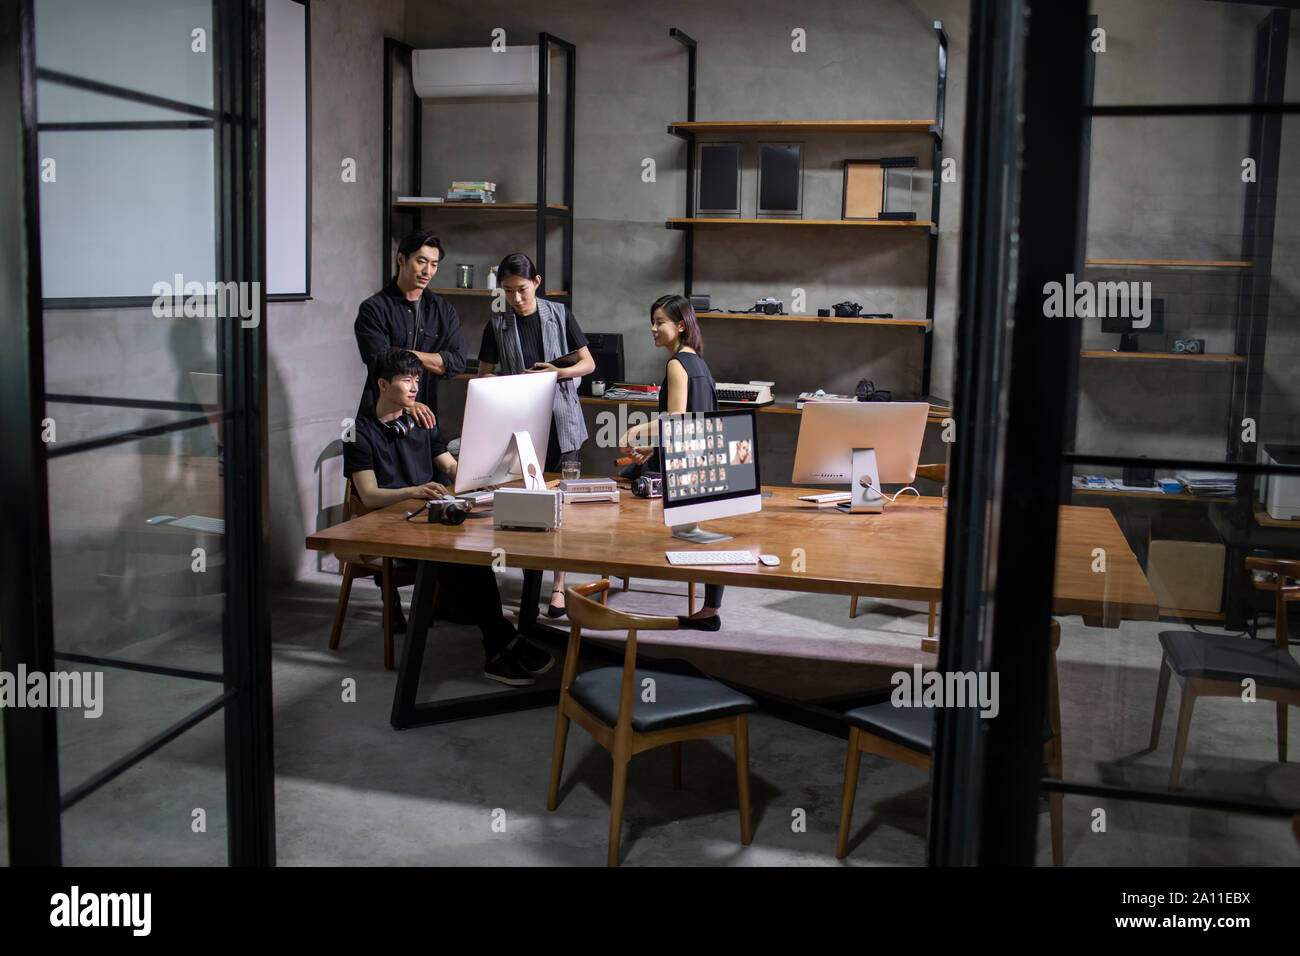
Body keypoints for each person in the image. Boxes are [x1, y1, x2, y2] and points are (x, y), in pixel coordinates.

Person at [344, 347, 554, 686]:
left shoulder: (422, 421)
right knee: (459, 561)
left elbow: (451, 468)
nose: (414, 387)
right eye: (405, 380)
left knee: (474, 554)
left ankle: (500, 644)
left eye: (417, 379)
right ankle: (501, 643)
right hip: (389, 526)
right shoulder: (359, 433)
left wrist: (487, 467)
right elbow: (369, 495)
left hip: (430, 518)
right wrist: (414, 491)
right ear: (382, 384)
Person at [477, 252, 595, 619]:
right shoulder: (497, 325)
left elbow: (588, 364)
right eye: (508, 291)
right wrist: (510, 382)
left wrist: (553, 374)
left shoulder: (560, 315)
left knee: (562, 503)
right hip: (522, 425)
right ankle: (530, 582)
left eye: (522, 290)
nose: (515, 298)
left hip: (563, 422)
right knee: (529, 502)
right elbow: (483, 377)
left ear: (537, 283)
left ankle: (558, 587)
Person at [619, 294, 727, 631]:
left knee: (628, 495)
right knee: (702, 532)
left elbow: (677, 418)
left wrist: (635, 431)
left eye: (660, 322)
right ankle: (710, 610)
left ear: (680, 325)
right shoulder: (699, 362)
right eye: (652, 322)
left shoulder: (677, 363)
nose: (653, 329)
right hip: (703, 459)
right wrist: (653, 449)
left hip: (686, 465)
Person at [354, 229, 467, 428]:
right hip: (380, 420)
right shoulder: (373, 309)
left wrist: (399, 353)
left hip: (426, 418)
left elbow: (455, 363)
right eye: (421, 261)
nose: (428, 272)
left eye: (434, 264)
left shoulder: (444, 311)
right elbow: (378, 362)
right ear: (401, 259)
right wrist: (408, 403)